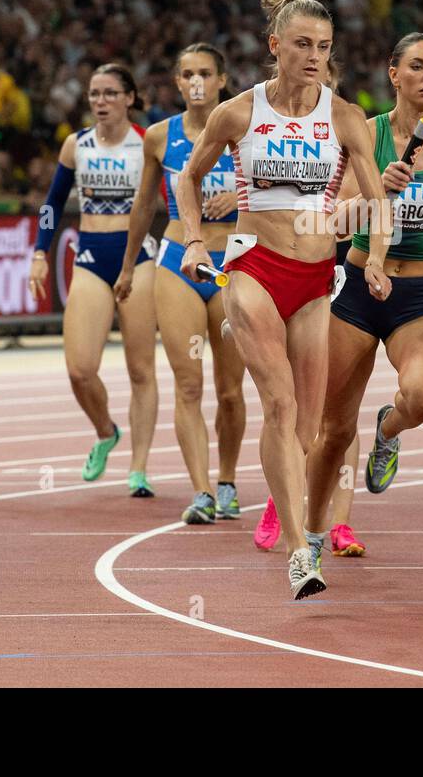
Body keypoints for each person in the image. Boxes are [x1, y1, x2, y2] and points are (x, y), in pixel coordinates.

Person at [173, 0, 394, 599]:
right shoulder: (239, 114)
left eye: (324, 47)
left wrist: (374, 258)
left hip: (315, 279)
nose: (315, 56)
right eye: (302, 44)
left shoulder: (344, 116)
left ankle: (290, 514)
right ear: (275, 46)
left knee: (309, 428)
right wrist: (195, 241)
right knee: (278, 405)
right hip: (254, 267)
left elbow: (376, 200)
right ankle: (301, 552)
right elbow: (188, 178)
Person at [299, 32, 423, 562]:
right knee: (331, 429)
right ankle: (312, 537)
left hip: (421, 294)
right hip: (359, 288)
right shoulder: (363, 134)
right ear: (393, 74)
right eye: (419, 67)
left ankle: (388, 428)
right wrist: (374, 187)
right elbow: (331, 220)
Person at [113, 44, 246, 524]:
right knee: (188, 385)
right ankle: (202, 491)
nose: (196, 83)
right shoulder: (157, 138)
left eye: (205, 74)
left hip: (232, 265)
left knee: (230, 390)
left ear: (222, 80)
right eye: (187, 74)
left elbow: (283, 192)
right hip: (177, 262)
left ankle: (228, 481)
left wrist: (243, 190)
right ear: (176, 82)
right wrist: (129, 267)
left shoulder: (245, 128)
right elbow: (143, 207)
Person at [28, 63, 159, 498]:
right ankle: (106, 432)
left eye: (109, 93)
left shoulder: (147, 144)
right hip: (89, 257)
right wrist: (39, 255)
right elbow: (51, 205)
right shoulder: (76, 145)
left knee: (140, 369)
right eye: (93, 94)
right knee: (80, 369)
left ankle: (138, 469)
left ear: (129, 98)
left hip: (136, 258)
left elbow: (178, 196)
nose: (100, 102)